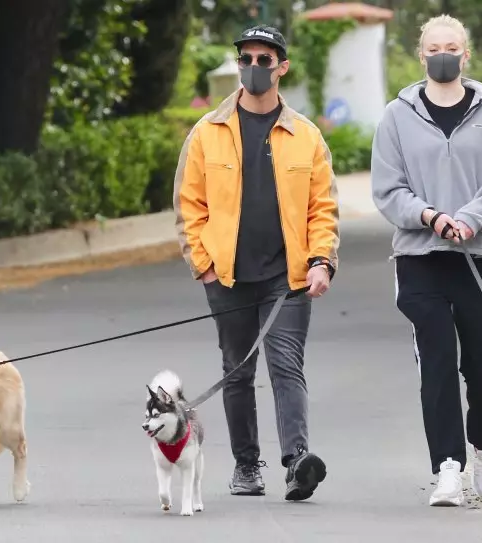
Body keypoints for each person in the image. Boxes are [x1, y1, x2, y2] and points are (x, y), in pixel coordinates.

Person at [172, 24, 340, 502]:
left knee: (287, 366)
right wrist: (203, 265)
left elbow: (322, 208)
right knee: (237, 369)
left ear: (281, 67)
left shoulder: (305, 136)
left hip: (287, 279)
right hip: (226, 277)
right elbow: (189, 205)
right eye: (246, 59)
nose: (253, 68)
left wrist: (321, 261)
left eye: (264, 60)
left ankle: (297, 462)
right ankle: (247, 465)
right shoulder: (207, 133)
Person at [370, 14, 482, 507]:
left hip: (478, 255)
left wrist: (470, 219)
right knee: (435, 364)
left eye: (451, 46)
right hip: (420, 258)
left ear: (465, 54)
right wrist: (430, 217)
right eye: (434, 47)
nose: (443, 54)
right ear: (421, 55)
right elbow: (387, 188)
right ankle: (447, 468)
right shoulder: (397, 115)